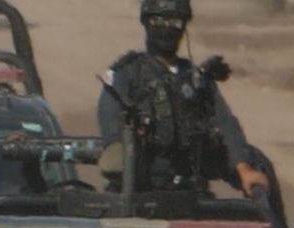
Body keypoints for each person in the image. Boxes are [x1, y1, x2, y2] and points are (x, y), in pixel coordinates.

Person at [99, 0, 269, 200]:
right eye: (158, 20)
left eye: (175, 22)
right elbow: (111, 127)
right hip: (140, 189)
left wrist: (243, 168)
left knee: (262, 169)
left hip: (191, 190)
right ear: (146, 22)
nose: (166, 28)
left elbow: (226, 124)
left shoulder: (196, 80)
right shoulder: (127, 74)